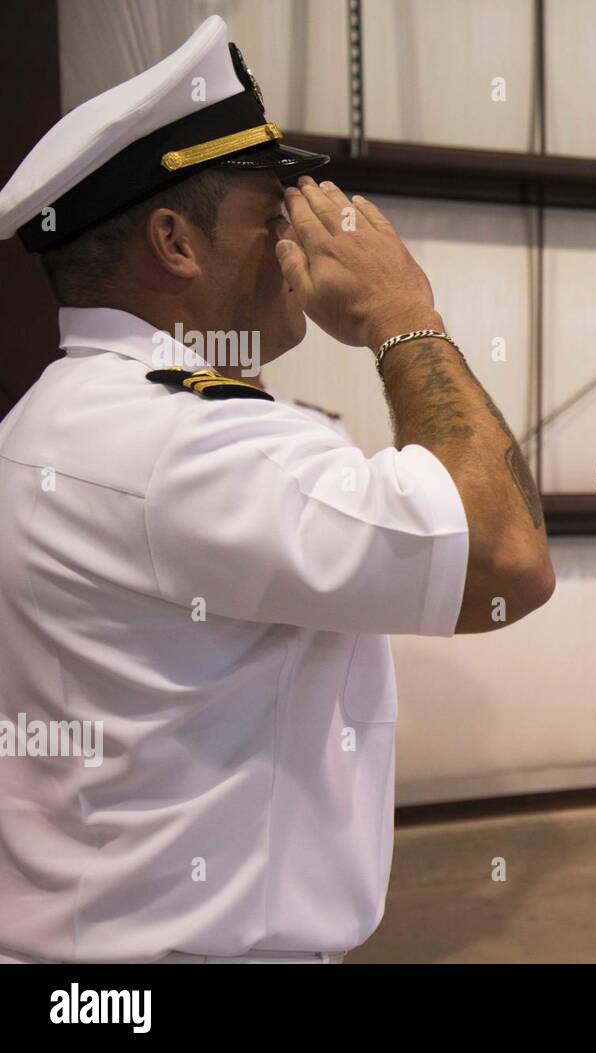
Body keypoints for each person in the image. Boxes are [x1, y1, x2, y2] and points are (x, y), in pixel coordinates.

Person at [0, 16, 553, 963]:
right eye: (273, 218)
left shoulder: (41, 424)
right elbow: (506, 559)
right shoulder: (193, 443)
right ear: (175, 242)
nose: (301, 248)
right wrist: (403, 316)